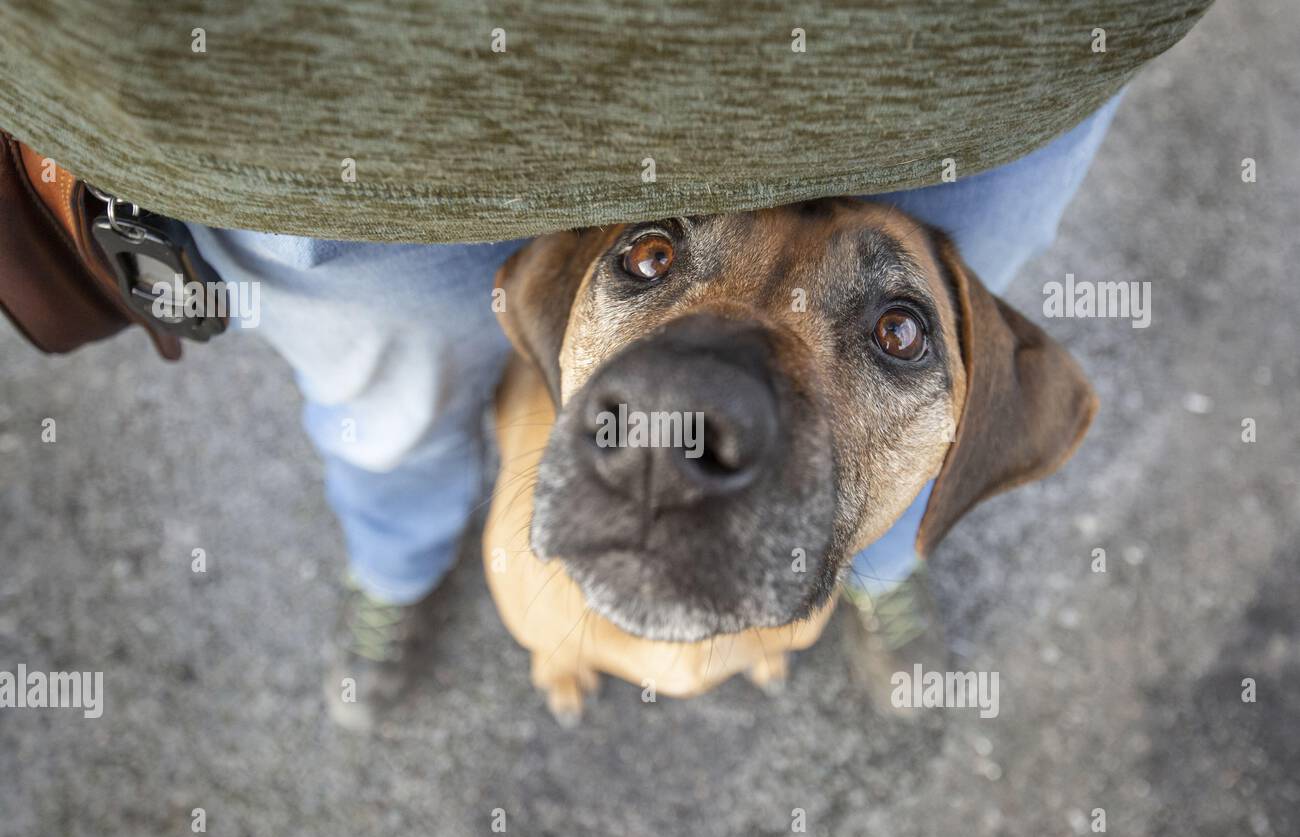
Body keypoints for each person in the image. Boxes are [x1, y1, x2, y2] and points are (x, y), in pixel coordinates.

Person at [185, 95, 1123, 727]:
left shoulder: (987, 397)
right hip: (361, 123)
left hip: (994, 91)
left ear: (981, 426)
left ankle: (876, 565)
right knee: (391, 402)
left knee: (848, 524)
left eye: (895, 334)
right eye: (649, 264)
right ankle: (400, 573)